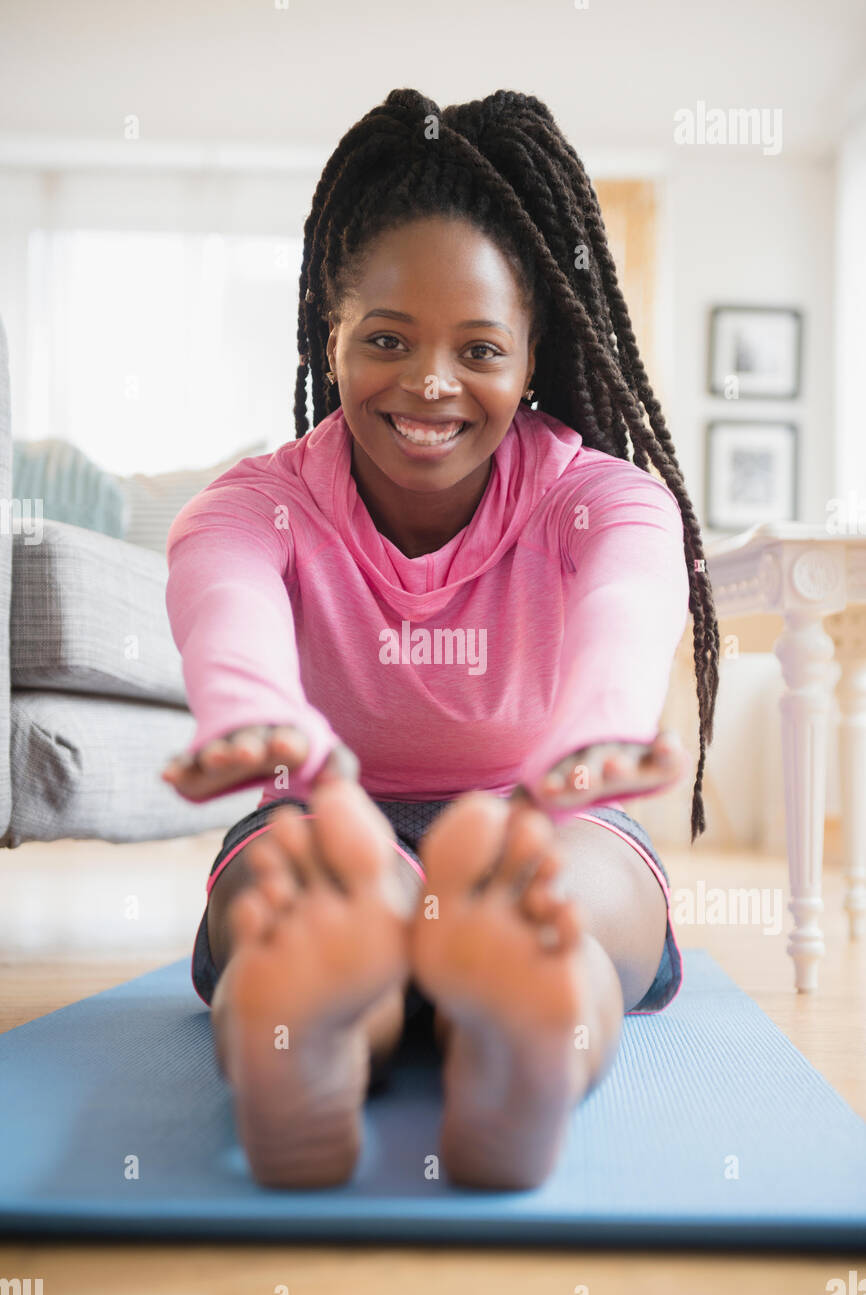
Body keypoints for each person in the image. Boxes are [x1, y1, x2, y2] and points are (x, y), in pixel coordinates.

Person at [162, 88, 719, 1191]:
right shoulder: (250, 506)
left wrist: (540, 810)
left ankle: (526, 1035)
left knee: (560, 893)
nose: (428, 383)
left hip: (539, 821)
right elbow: (228, 627)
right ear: (330, 329)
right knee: (295, 881)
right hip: (323, 817)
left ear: (528, 354)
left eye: (476, 348)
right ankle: (313, 1026)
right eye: (386, 339)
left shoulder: (603, 502)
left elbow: (623, 635)